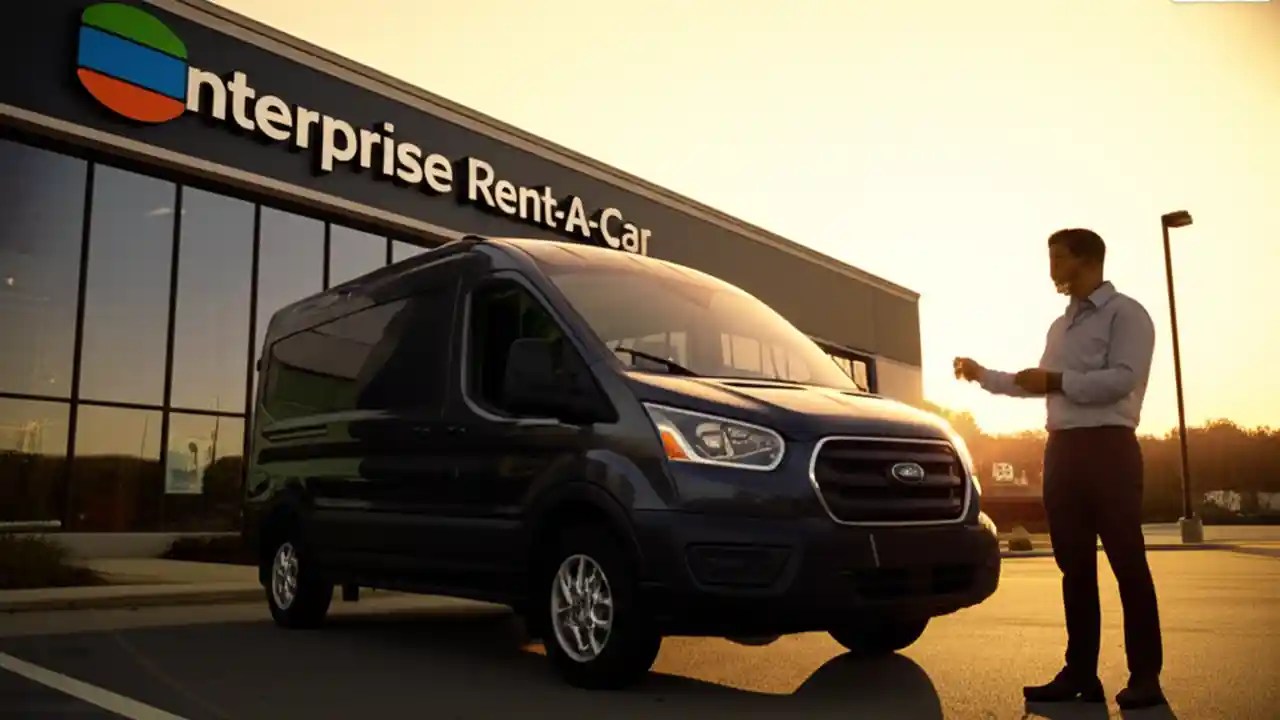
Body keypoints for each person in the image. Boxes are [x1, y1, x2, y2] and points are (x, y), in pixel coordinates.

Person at [954, 228, 1166, 710]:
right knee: (1074, 568)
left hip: (1109, 449)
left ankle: (1145, 677)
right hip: (1062, 452)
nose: (1051, 267)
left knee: (1128, 564)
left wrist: (1058, 380)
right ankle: (1080, 674)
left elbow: (1123, 380)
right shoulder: (1060, 326)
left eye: (1059, 257)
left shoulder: (1127, 314)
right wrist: (983, 375)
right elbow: (1038, 384)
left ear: (1088, 261)